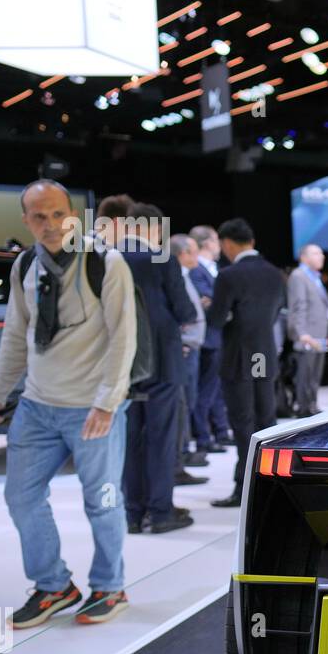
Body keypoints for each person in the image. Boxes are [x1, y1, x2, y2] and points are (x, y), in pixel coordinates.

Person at [0, 180, 137, 627]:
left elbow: (125, 338)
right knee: (21, 498)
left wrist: (108, 402)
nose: (49, 225)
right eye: (38, 216)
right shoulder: (25, 265)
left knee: (102, 501)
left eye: (57, 214)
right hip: (37, 406)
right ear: (26, 220)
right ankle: (53, 586)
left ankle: (110, 586)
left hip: (92, 406)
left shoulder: (106, 262)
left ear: (73, 214)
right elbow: (16, 334)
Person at [114, 202, 197, 534]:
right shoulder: (162, 258)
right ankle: (160, 512)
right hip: (161, 361)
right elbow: (184, 310)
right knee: (162, 437)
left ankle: (132, 513)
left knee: (130, 438)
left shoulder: (108, 258)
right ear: (152, 229)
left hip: (122, 364)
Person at [206, 218, 286, 506]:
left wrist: (211, 309)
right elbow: (276, 313)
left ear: (228, 243)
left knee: (242, 424)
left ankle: (244, 489)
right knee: (267, 421)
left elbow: (216, 320)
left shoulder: (228, 276)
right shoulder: (275, 274)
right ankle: (270, 485)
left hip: (238, 357)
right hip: (264, 353)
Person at [188, 225, 234, 451]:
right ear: (207, 243)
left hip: (219, 335)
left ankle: (220, 432)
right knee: (205, 391)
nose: (220, 246)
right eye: (216, 241)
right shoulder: (196, 270)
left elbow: (215, 301)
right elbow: (208, 301)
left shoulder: (215, 269)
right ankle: (203, 438)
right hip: (207, 338)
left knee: (216, 389)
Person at [174, 234, 209, 481]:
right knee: (183, 403)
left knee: (188, 401)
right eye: (193, 252)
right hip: (184, 350)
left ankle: (184, 451)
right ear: (182, 254)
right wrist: (182, 343)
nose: (197, 257)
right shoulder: (176, 278)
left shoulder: (184, 277)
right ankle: (181, 454)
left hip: (191, 349)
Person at [287, 243, 328, 416]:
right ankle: (305, 408)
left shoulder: (314, 276)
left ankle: (312, 405)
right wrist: (301, 334)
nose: (321, 257)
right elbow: (298, 306)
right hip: (308, 335)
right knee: (305, 375)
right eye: (316, 253)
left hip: (319, 334)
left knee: (314, 375)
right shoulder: (299, 276)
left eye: (321, 253)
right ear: (304, 257)